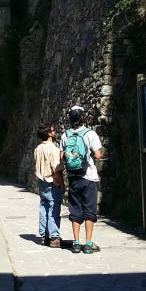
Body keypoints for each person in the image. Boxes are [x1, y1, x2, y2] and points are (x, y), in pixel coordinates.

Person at [60, 106, 103, 254]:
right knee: (89, 210)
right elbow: (97, 155)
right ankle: (88, 244)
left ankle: (76, 243)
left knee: (75, 209)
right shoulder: (90, 134)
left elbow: (62, 156)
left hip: (73, 177)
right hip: (89, 176)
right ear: (83, 118)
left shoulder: (65, 135)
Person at [34, 123, 64, 248]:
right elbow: (56, 170)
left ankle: (44, 235)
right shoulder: (53, 149)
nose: (55, 131)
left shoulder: (38, 149)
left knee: (44, 207)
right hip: (52, 182)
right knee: (53, 209)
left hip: (41, 182)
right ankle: (54, 237)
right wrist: (62, 184)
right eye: (53, 130)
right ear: (49, 133)